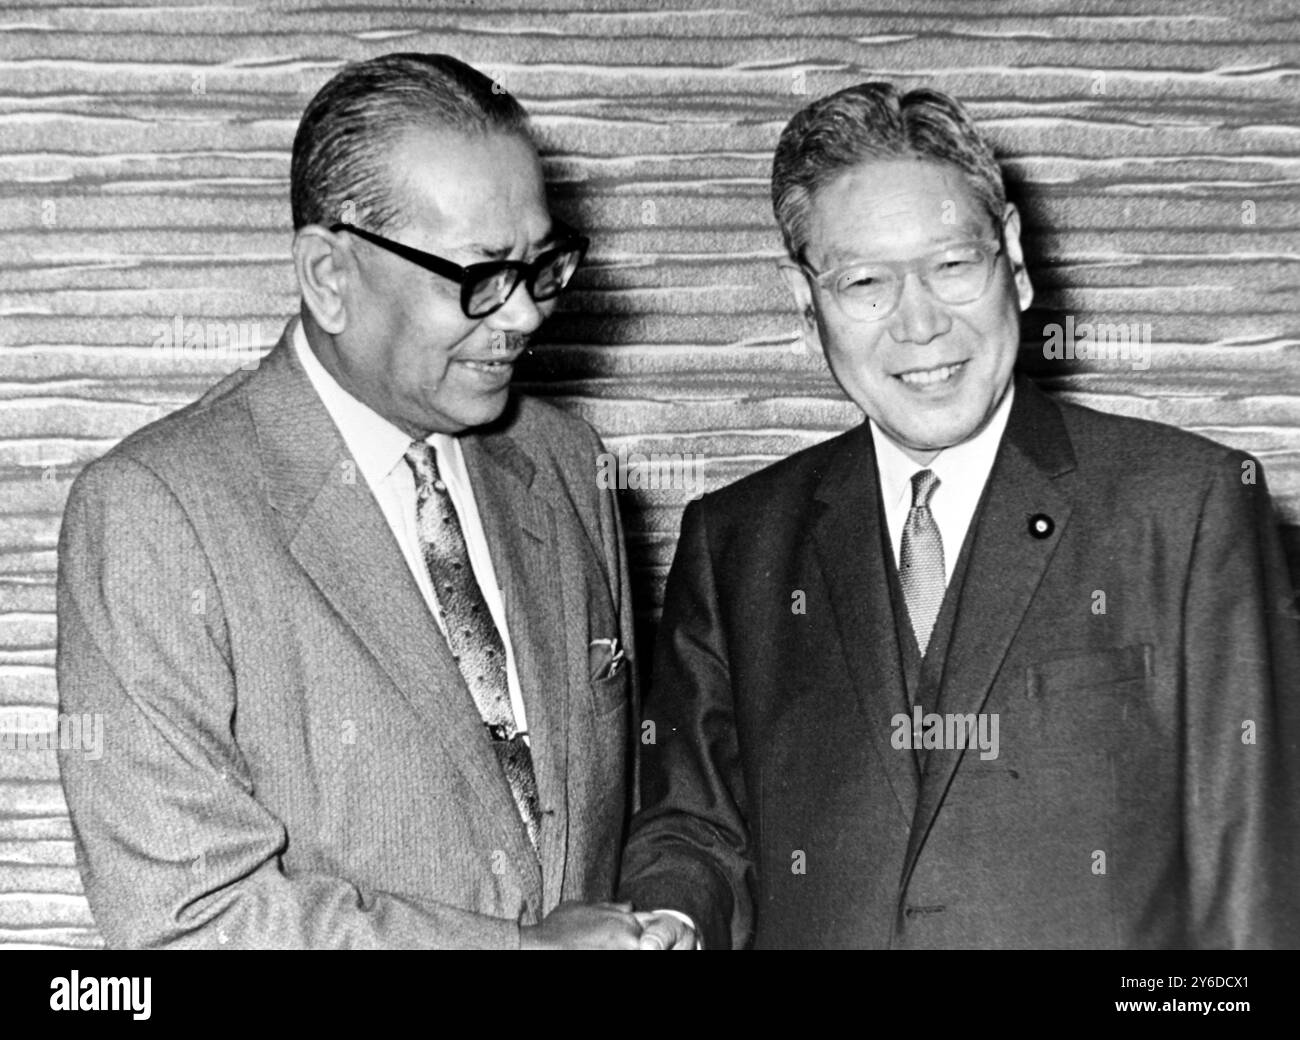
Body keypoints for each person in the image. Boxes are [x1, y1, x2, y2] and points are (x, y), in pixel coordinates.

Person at [619, 81, 1300, 949]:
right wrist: (672, 916)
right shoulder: (735, 540)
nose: (920, 324)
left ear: (1013, 258)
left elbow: (1253, 894)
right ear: (804, 302)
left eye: (952, 265)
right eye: (864, 281)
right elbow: (695, 827)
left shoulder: (1189, 505)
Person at [56, 52, 645, 949]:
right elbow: (187, 921)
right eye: (482, 277)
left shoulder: (565, 464)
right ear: (330, 276)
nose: (525, 316)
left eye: (543, 266)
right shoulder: (155, 512)